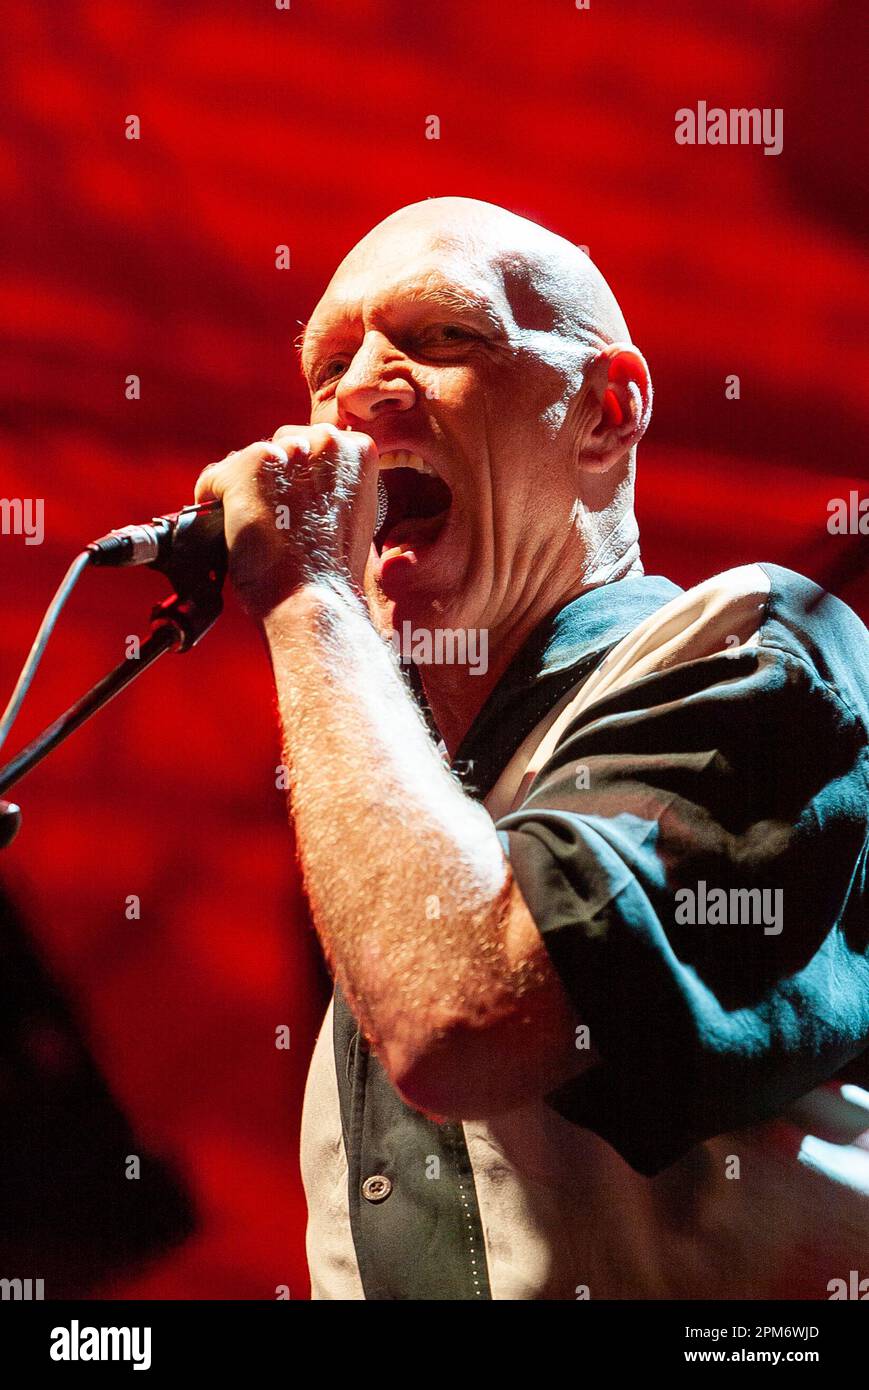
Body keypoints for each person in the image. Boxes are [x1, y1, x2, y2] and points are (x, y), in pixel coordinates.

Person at [194, 197, 869, 1300]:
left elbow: (464, 1017)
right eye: (325, 364)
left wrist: (313, 593)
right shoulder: (391, 835)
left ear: (605, 413)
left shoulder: (756, 652)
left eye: (440, 335)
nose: (355, 391)